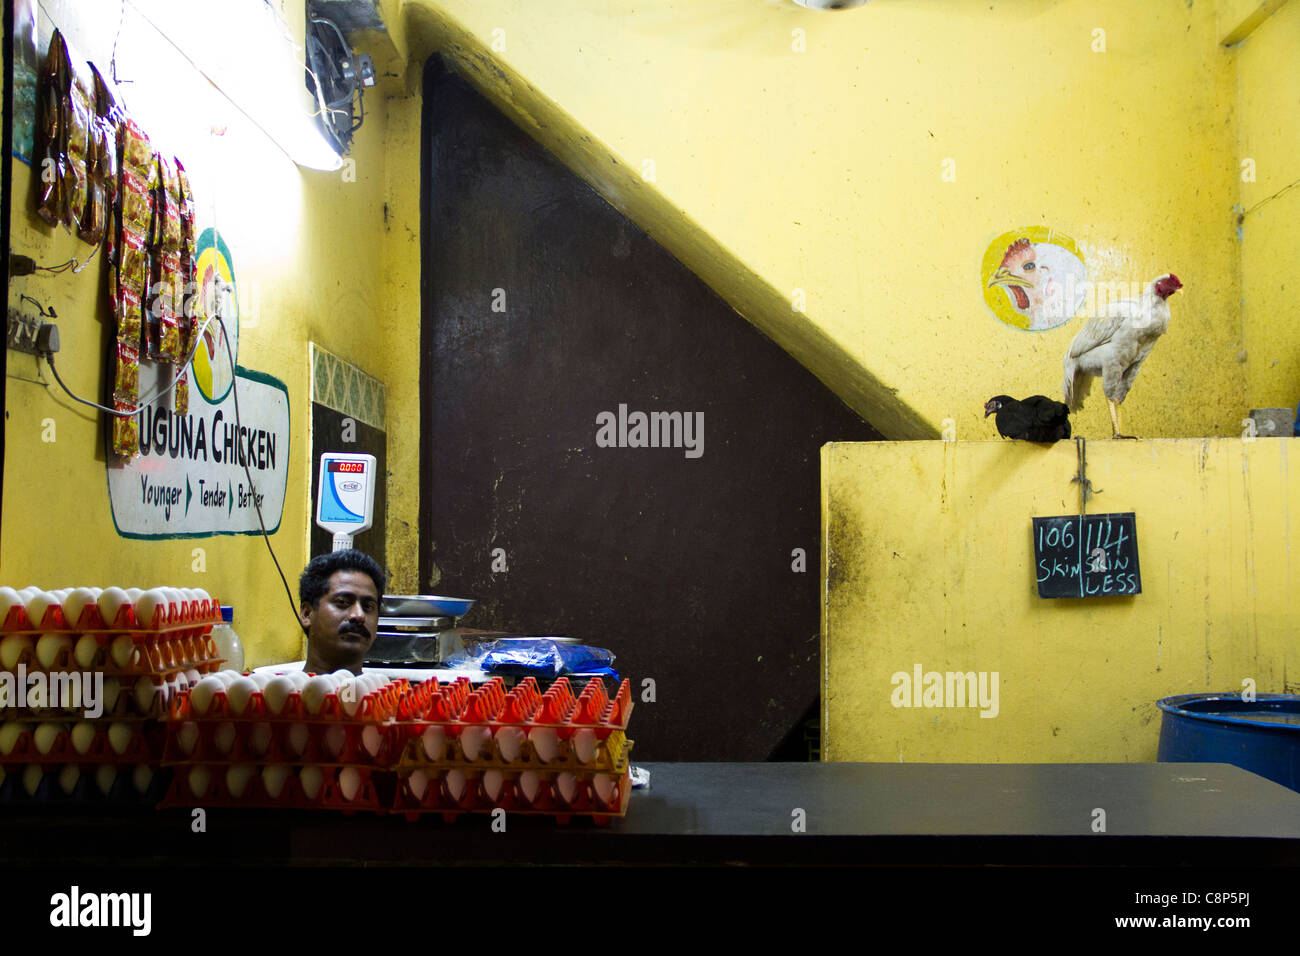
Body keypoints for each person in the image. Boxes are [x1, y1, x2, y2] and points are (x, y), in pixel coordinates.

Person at [298, 549, 385, 675]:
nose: (359, 615)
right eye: (343, 602)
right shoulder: (276, 693)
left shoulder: (396, 693)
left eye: (368, 606)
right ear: (307, 614)